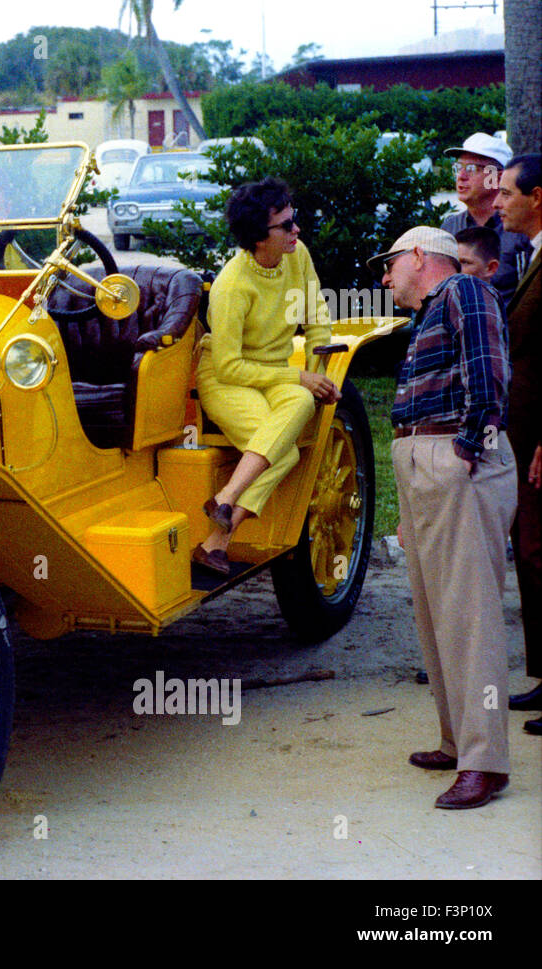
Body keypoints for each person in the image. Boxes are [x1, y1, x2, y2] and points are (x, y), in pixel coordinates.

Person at [371, 225, 515, 809]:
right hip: (425, 461)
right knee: (437, 615)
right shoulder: (433, 310)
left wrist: (468, 451)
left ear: (417, 257)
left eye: (389, 266)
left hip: (453, 460)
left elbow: (489, 374)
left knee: (470, 617)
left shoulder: (464, 292)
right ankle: (459, 741)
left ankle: (486, 762)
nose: (385, 279)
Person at [192, 178, 337, 576]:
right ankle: (218, 536)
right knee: (282, 450)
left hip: (273, 375)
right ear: (258, 237)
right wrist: (298, 380)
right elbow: (228, 367)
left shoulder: (297, 254)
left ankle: (223, 504)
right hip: (227, 379)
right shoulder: (231, 286)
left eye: (295, 220)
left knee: (303, 402)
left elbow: (317, 320)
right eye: (286, 226)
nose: (297, 230)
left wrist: (315, 376)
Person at [493, 153, 542, 735]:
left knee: (537, 551)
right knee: (530, 552)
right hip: (521, 430)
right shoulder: (528, 254)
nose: (497, 200)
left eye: (507, 192)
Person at [440, 132, 532, 305]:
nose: (461, 176)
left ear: (498, 177)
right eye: (458, 168)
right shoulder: (450, 226)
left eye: (472, 168)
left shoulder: (520, 229)